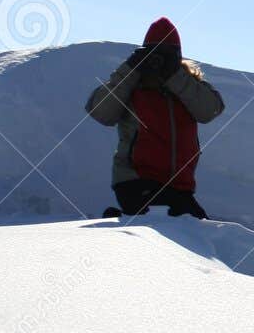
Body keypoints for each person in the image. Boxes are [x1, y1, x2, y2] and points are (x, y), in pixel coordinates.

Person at [85, 17, 225, 218]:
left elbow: (210, 110)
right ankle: (119, 229)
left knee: (198, 231)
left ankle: (120, 221)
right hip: (136, 180)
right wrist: (131, 69)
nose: (157, 62)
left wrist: (175, 76)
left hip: (179, 185)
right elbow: (101, 113)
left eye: (166, 56)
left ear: (177, 58)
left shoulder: (187, 86)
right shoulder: (132, 86)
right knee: (180, 228)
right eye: (153, 54)